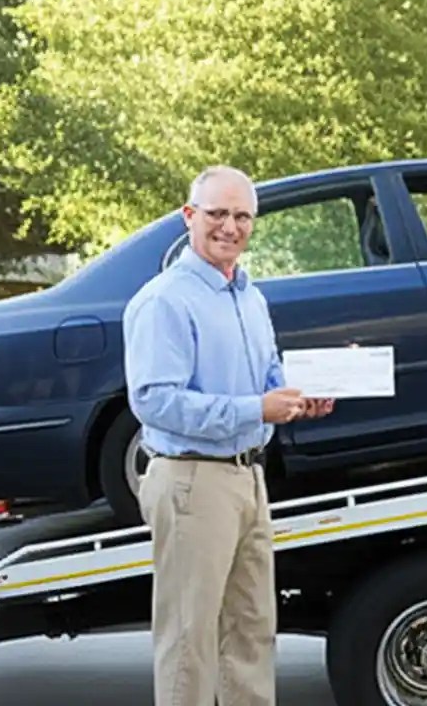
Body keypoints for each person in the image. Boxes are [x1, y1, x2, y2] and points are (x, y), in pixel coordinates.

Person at [122, 165, 335, 706]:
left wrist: (295, 399)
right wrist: (254, 407)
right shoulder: (164, 300)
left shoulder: (249, 298)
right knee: (189, 640)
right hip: (193, 479)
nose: (230, 227)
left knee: (252, 631)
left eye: (243, 216)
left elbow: (267, 380)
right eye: (217, 213)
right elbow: (154, 401)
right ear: (189, 216)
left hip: (248, 478)